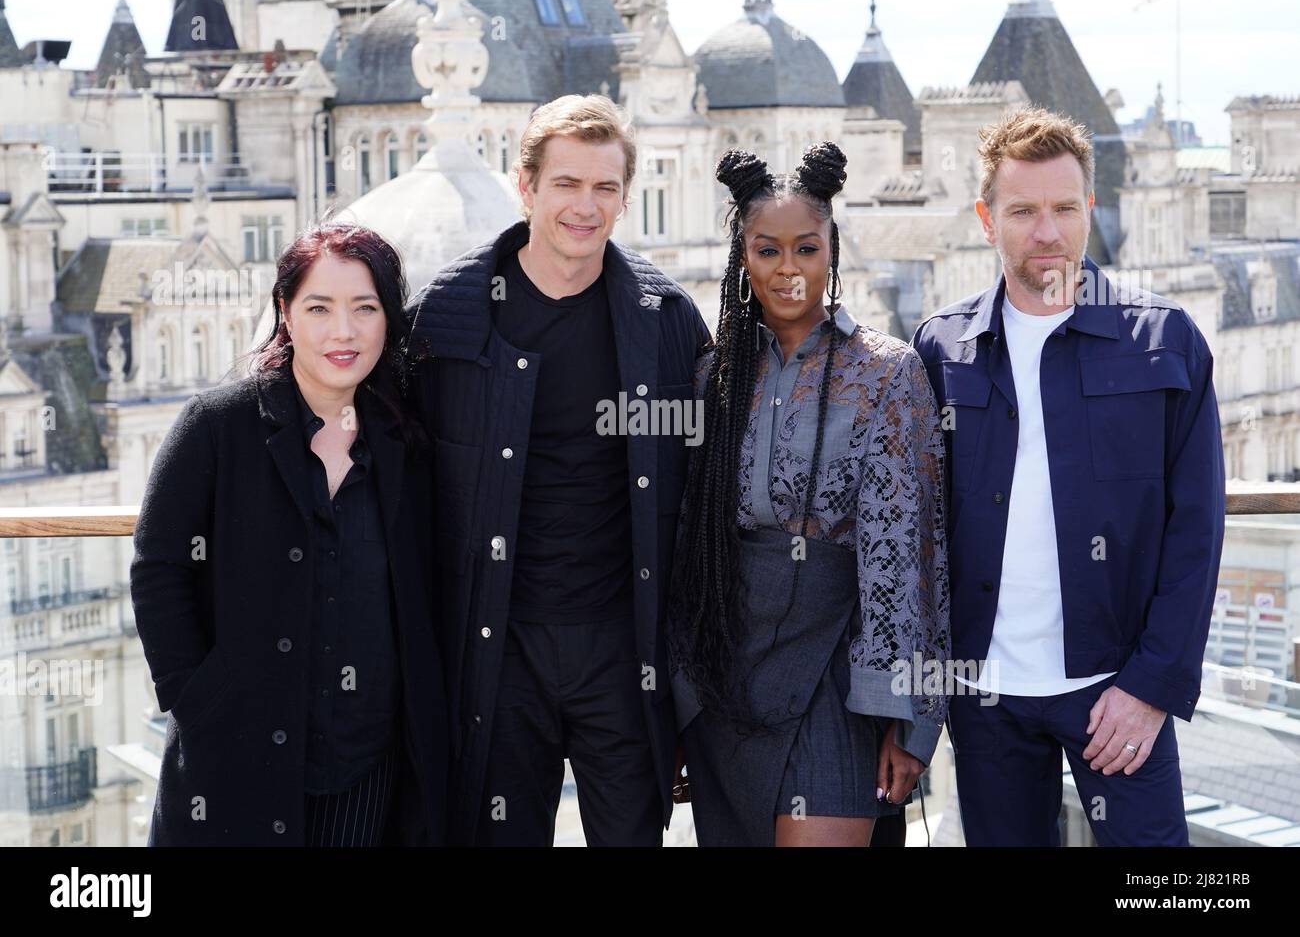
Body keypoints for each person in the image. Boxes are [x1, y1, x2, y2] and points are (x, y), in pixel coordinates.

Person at [911, 107, 1226, 846]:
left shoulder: (1166, 340)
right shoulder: (939, 348)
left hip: (1117, 690)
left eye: (1062, 208)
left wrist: (1151, 687)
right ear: (988, 218)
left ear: (1088, 208)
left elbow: (1198, 531)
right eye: (1022, 210)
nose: (1046, 231)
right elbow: (915, 531)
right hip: (984, 696)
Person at [404, 94, 712, 846]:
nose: (586, 206)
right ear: (526, 185)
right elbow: (397, 488)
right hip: (495, 650)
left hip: (622, 652)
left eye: (605, 188)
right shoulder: (448, 315)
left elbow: (708, 496)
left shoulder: (667, 318)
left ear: (625, 197)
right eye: (567, 184)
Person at [668, 142, 951, 847]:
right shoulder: (711, 378)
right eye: (767, 250)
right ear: (743, 257)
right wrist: (675, 701)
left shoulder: (888, 373)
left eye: (806, 248)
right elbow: (682, 543)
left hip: (839, 674)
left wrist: (911, 716)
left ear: (833, 251)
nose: (787, 269)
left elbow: (912, 552)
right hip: (727, 675)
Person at [131, 222, 448, 846]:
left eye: (366, 308)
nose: (344, 331)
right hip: (236, 756)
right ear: (285, 312)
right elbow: (159, 568)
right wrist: (196, 700)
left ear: (390, 318)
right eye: (319, 307)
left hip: (366, 769)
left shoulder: (408, 446)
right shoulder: (216, 426)